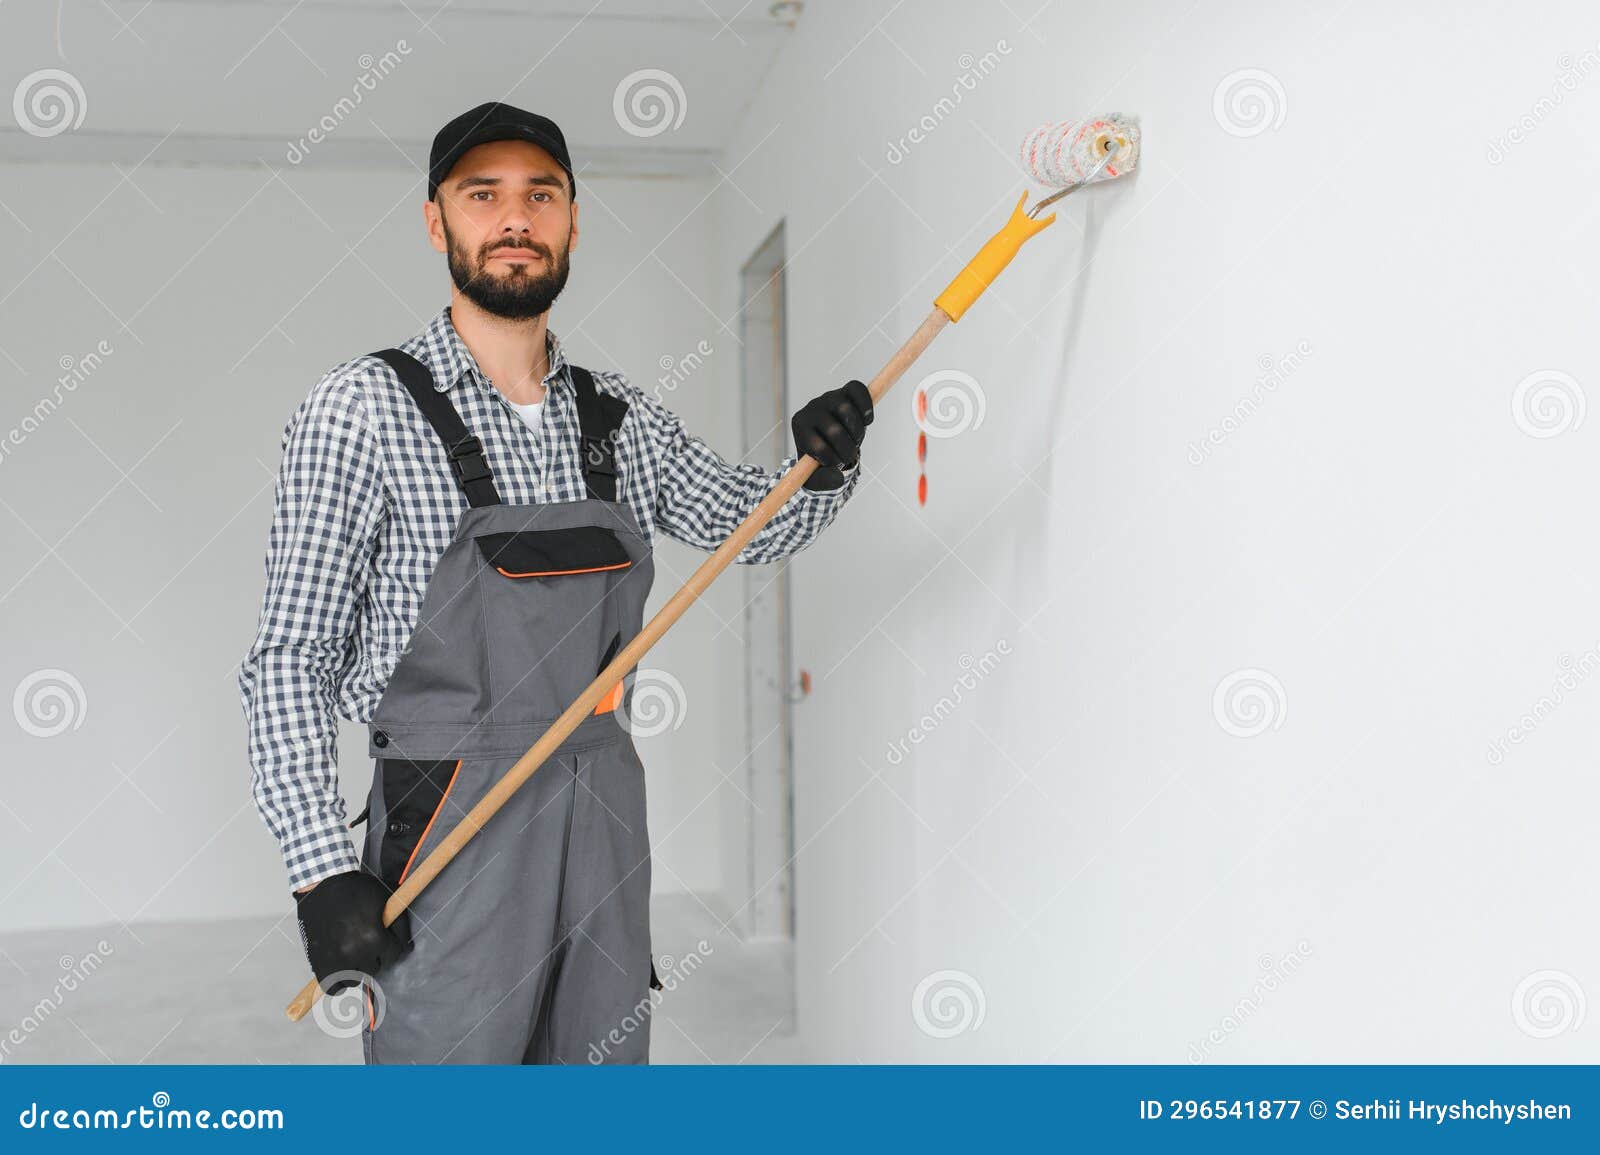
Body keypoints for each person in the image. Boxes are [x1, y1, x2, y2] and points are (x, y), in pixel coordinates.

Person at [236, 102, 871, 1063]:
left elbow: (747, 525)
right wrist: (321, 871)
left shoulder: (619, 419)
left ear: (574, 221)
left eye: (541, 195)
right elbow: (291, 657)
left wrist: (821, 465)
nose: (514, 218)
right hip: (449, 824)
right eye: (481, 195)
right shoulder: (358, 410)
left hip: (602, 812)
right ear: (436, 222)